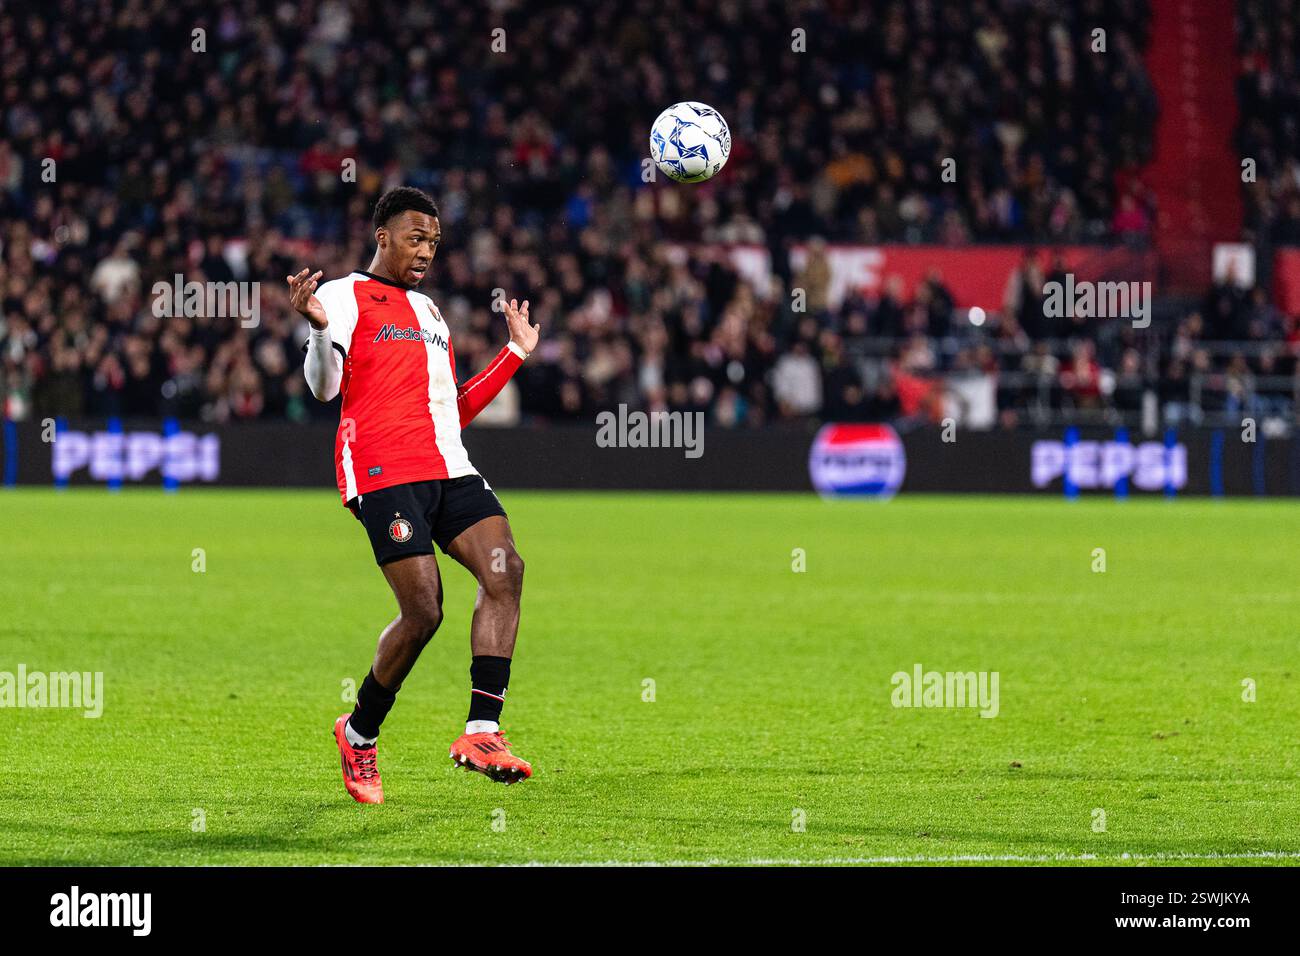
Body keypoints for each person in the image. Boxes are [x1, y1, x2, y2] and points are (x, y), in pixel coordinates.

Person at [288, 187, 540, 804]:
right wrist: (319, 331)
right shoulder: (345, 295)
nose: (426, 250)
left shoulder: (430, 314)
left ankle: (482, 730)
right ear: (383, 237)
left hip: (447, 465)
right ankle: (360, 732)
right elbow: (323, 392)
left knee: (506, 572)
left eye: (433, 241)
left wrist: (513, 355)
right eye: (414, 238)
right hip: (381, 470)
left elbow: (451, 411)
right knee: (425, 611)